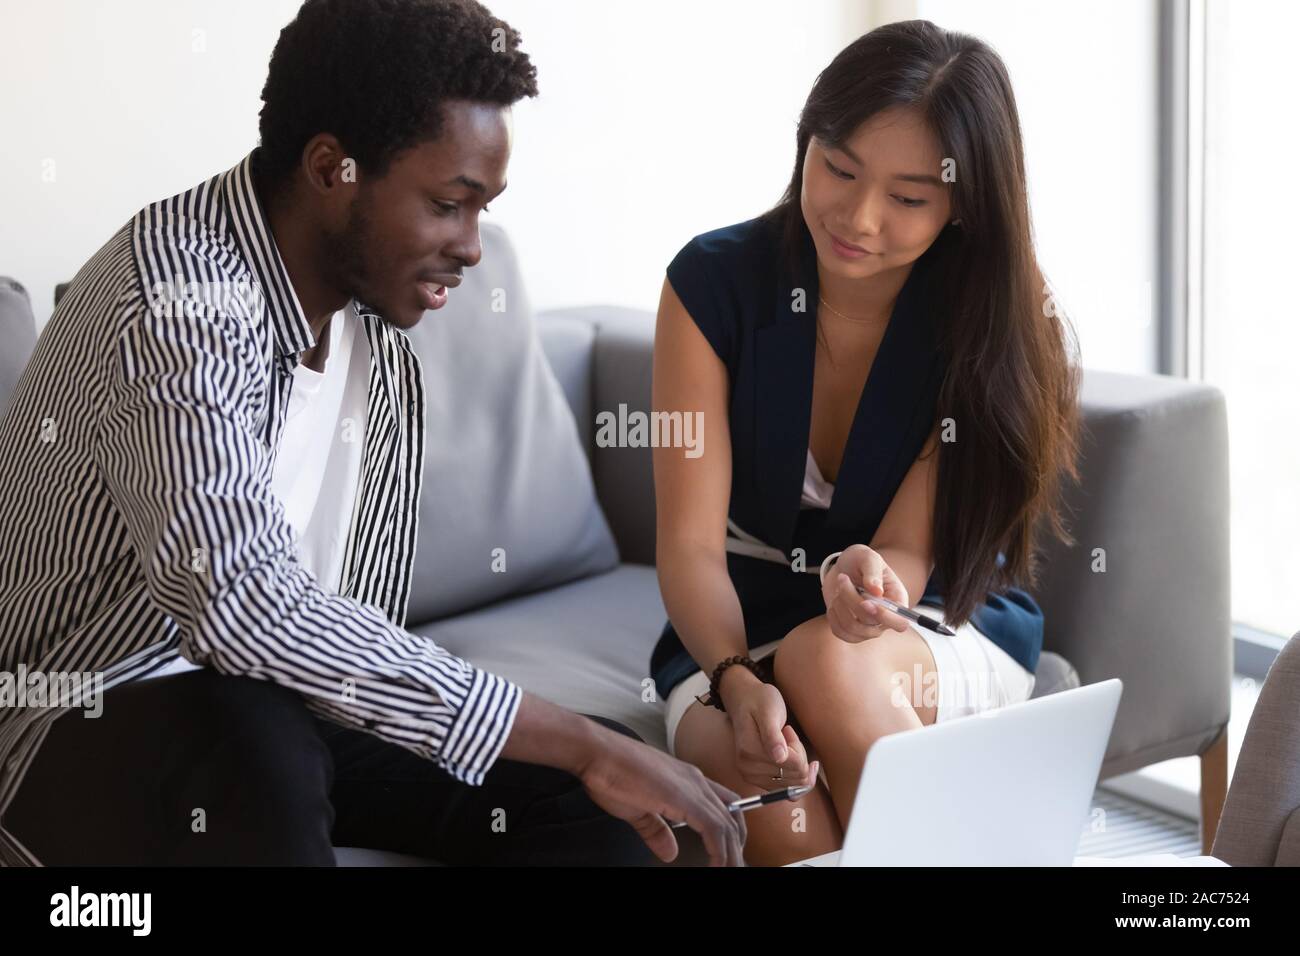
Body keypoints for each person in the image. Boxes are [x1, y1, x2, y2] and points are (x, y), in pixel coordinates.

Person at [0, 0, 746, 867]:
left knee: (616, 804)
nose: (472, 248)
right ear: (332, 168)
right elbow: (243, 607)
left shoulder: (377, 325)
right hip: (85, 715)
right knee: (262, 745)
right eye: (447, 203)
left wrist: (588, 748)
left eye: (482, 210)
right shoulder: (176, 303)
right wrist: (573, 736)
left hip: (292, 706)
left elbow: (337, 637)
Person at [649, 19, 1081, 866]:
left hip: (929, 618)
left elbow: (908, 551)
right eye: (838, 167)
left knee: (828, 662)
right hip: (734, 629)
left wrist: (866, 586)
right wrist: (735, 678)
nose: (858, 216)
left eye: (910, 197)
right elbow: (692, 546)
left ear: (965, 202)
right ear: (807, 140)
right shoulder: (710, 285)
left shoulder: (990, 322)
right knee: (776, 813)